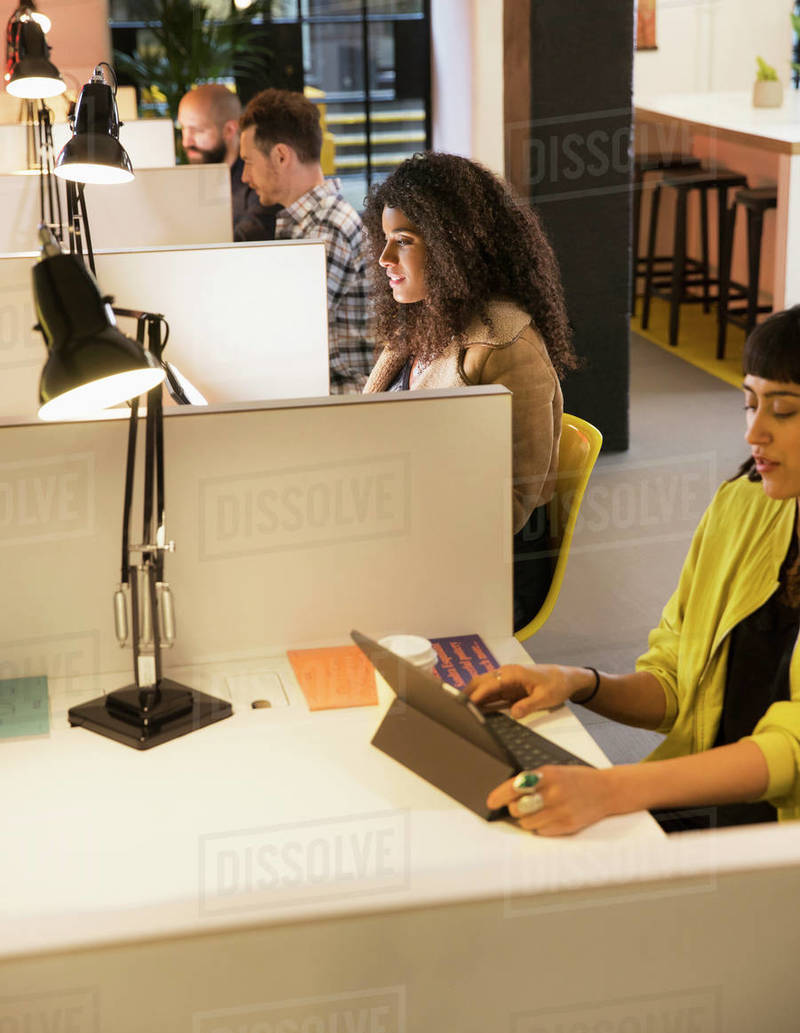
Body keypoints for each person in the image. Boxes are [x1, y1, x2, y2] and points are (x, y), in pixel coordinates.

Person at [467, 305, 800, 835]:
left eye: (782, 410)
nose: (753, 433)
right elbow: (676, 683)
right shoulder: (745, 504)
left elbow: (792, 752)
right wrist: (576, 682)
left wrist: (610, 790)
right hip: (703, 799)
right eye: (749, 404)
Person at [360, 152, 577, 630]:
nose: (384, 259)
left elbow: (509, 508)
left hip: (484, 573)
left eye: (403, 242)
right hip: (411, 541)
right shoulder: (423, 322)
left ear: (449, 246)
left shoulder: (506, 346)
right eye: (385, 240)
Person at [238, 88, 373, 395]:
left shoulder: (327, 227)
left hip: (338, 402)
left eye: (248, 161)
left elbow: (287, 332)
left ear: (281, 156)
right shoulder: (307, 221)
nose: (245, 177)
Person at [177, 84, 279, 242]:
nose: (186, 142)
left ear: (230, 130)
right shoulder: (186, 182)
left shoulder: (256, 183)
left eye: (197, 130)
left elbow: (241, 243)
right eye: (183, 128)